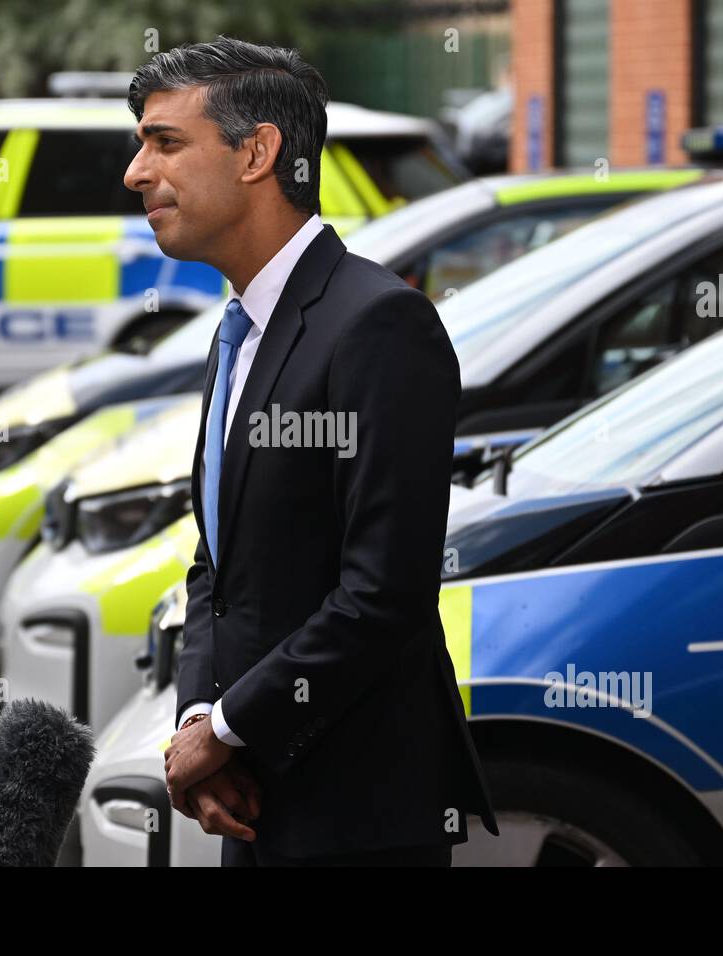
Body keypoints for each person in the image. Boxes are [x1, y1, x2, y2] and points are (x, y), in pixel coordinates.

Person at [123, 36, 499, 866]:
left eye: (166, 142)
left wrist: (227, 728)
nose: (137, 173)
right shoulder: (238, 329)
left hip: (356, 812)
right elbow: (216, 567)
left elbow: (384, 592)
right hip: (254, 797)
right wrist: (200, 723)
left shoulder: (376, 323)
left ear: (258, 152)